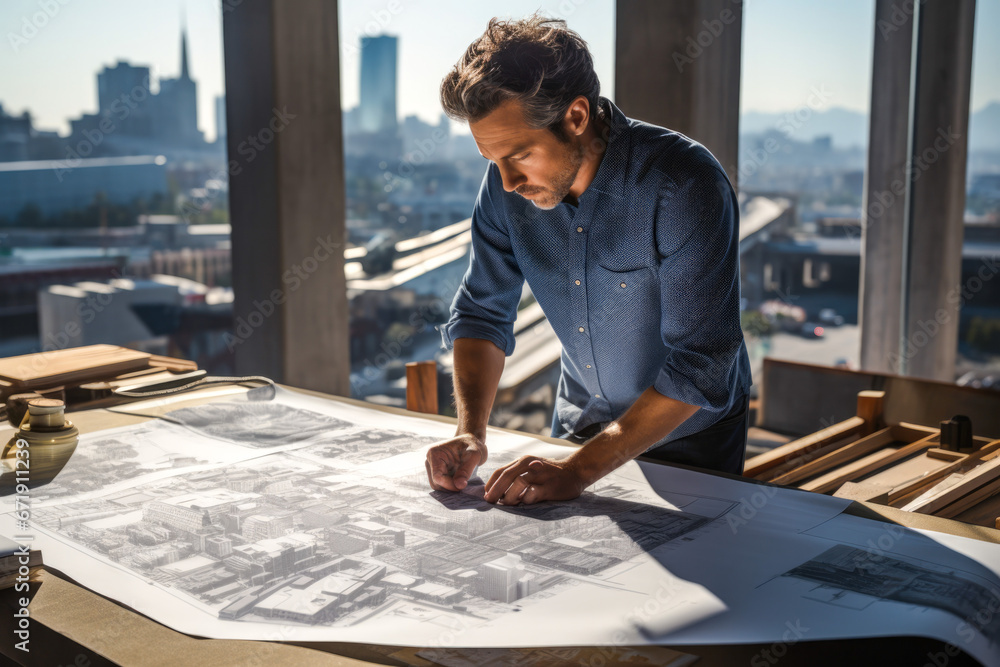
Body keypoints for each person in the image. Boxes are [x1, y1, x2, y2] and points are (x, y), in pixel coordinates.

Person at [423, 15, 752, 506]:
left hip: (688, 441)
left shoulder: (683, 185)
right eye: (494, 161)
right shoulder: (504, 188)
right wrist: (472, 432)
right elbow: (481, 313)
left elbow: (700, 364)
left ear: (577, 118)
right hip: (575, 427)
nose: (508, 183)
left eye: (520, 154)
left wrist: (577, 472)